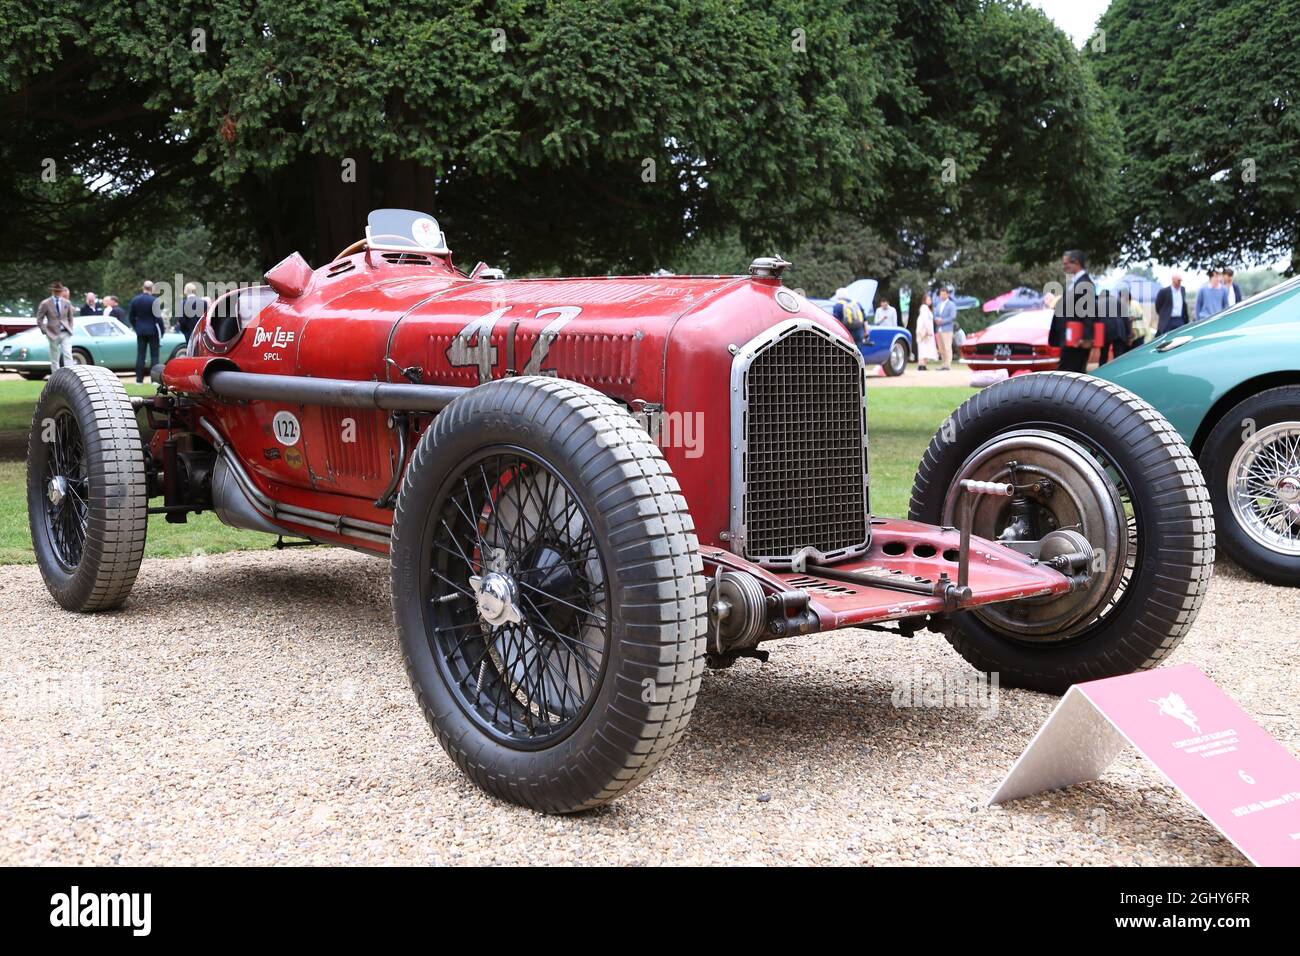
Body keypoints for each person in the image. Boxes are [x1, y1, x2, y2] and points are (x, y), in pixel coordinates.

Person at [1047, 249, 1097, 373]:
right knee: (1068, 373)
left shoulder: (1085, 283)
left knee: (1071, 374)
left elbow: (1088, 311)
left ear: (1076, 263)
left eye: (1066, 263)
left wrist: (1086, 338)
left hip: (1077, 341)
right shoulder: (1073, 283)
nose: (1064, 267)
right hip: (1069, 339)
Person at [127, 280, 165, 383]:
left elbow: (131, 317)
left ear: (143, 288)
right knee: (154, 356)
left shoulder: (135, 300)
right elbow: (158, 318)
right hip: (153, 331)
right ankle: (154, 380)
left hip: (140, 331)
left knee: (140, 355)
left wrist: (137, 327)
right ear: (152, 289)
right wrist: (162, 331)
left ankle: (139, 379)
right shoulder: (154, 301)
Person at [36, 282, 75, 373]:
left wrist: (70, 328)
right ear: (52, 291)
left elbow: (71, 318)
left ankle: (69, 374)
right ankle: (55, 376)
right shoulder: (45, 303)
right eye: (56, 291)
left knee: (68, 353)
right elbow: (39, 319)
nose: (57, 293)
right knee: (54, 356)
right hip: (52, 333)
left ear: (62, 292)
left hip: (65, 332)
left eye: (59, 291)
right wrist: (45, 330)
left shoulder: (66, 302)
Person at [914, 291, 939, 371]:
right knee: (923, 347)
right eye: (928, 299)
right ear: (924, 300)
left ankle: (923, 364)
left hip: (926, 330)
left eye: (930, 299)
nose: (930, 301)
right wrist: (928, 330)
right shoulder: (924, 308)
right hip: (924, 331)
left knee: (925, 348)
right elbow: (924, 320)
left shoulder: (927, 308)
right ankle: (921, 364)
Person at [934, 287, 957, 370]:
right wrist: (936, 319)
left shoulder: (951, 304)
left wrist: (942, 321)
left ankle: (947, 364)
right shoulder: (938, 304)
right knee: (941, 348)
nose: (942, 296)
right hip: (939, 329)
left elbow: (952, 317)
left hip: (947, 329)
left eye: (944, 294)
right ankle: (943, 364)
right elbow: (935, 314)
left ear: (947, 294)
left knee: (947, 347)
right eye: (941, 294)